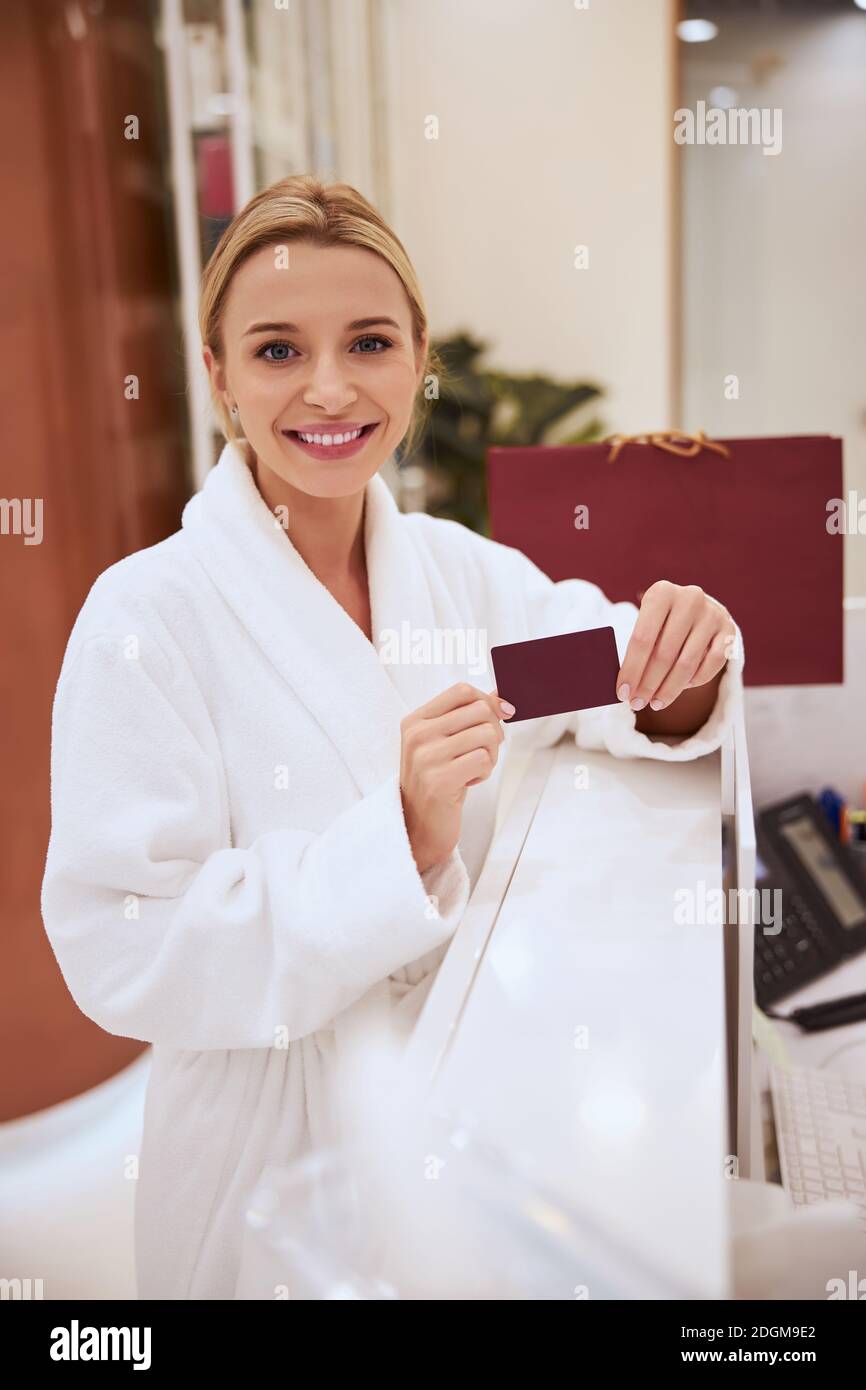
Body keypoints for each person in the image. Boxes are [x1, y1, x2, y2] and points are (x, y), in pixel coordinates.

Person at [41, 175, 744, 1300]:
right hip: (274, 1149)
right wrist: (399, 842)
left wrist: (673, 664)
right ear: (216, 374)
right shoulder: (148, 616)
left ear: (417, 360)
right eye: (276, 350)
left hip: (472, 1103)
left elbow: (590, 670)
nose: (328, 387)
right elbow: (124, 941)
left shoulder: (454, 577)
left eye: (367, 341)